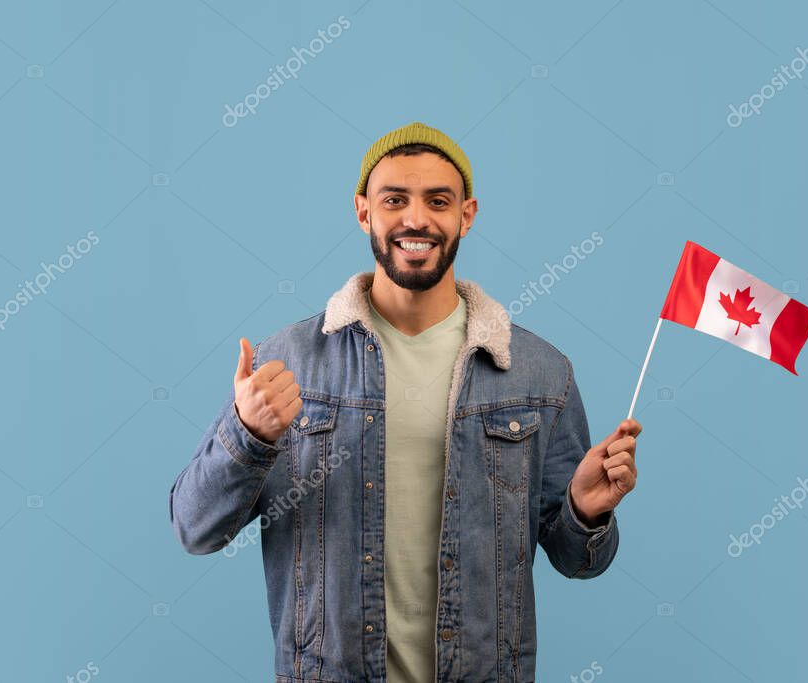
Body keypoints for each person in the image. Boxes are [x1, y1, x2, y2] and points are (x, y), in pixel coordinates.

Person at [169, 121, 642, 682]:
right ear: (363, 211)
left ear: (466, 214)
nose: (416, 219)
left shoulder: (539, 373)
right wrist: (248, 435)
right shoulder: (287, 362)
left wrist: (587, 511)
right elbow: (196, 530)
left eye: (437, 201)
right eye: (395, 199)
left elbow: (579, 561)